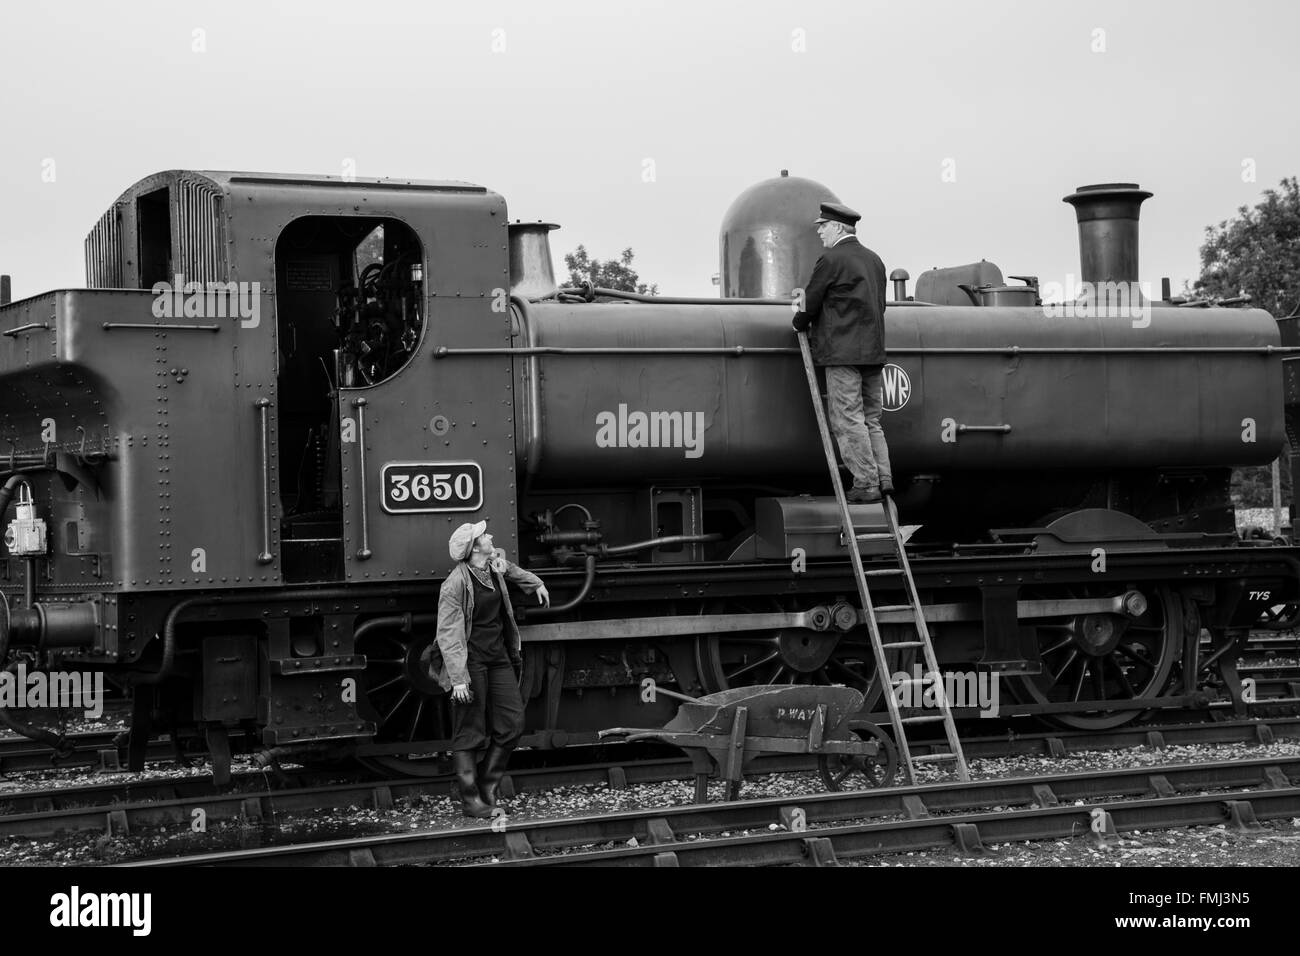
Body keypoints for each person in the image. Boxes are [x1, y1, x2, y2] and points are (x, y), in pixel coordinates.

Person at [434, 519, 550, 818]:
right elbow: (448, 635)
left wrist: (535, 583)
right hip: (469, 661)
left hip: (498, 658)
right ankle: (470, 799)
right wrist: (459, 680)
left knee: (512, 724)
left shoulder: (492, 564)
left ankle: (488, 787)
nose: (491, 535)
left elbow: (511, 569)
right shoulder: (455, 584)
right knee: (469, 730)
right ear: (474, 548)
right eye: (484, 535)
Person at [791, 201, 894, 503]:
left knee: (847, 419)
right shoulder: (875, 260)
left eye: (822, 226)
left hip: (842, 354)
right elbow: (881, 306)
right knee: (871, 420)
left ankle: (865, 482)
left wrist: (798, 322)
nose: (820, 232)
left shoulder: (831, 260)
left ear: (836, 227)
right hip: (873, 353)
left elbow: (810, 300)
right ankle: (884, 477)